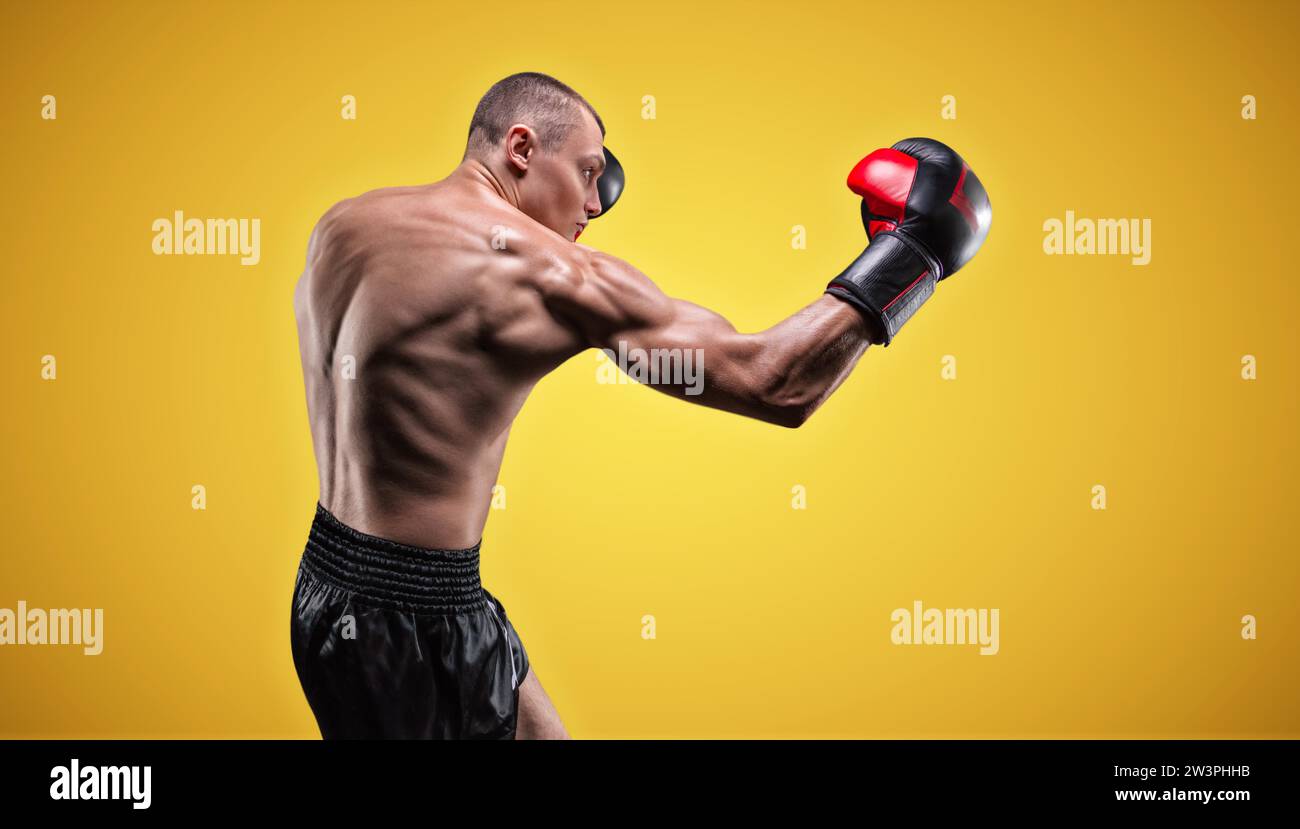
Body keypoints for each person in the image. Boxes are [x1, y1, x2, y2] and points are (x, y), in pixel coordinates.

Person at [289, 71, 991, 739]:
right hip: (415, 626)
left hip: (331, 582)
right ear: (521, 148)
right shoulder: (549, 278)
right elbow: (774, 384)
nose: (595, 205)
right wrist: (911, 252)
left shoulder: (345, 223)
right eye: (589, 173)